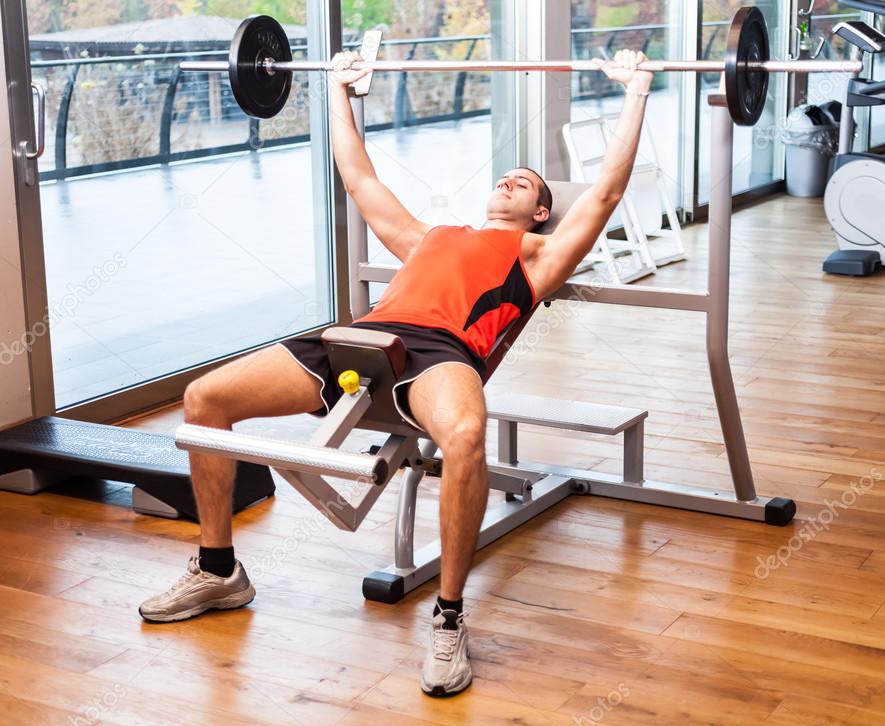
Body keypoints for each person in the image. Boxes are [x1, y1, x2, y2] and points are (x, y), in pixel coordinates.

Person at [139, 47, 653, 698]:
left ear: (542, 213)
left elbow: (606, 191)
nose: (509, 182)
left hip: (440, 355)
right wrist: (338, 86)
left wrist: (636, 91)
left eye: (525, 184)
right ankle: (219, 570)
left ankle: (447, 618)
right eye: (506, 176)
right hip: (358, 339)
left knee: (465, 435)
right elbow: (358, 177)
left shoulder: (537, 257)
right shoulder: (427, 237)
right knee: (204, 399)